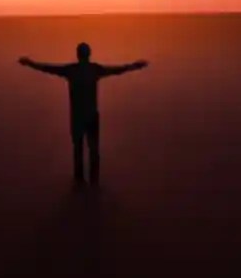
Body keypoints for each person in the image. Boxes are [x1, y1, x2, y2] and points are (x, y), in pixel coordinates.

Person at [18, 42, 148, 187]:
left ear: (78, 55)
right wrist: (134, 66)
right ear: (89, 54)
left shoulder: (71, 70)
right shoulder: (94, 69)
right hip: (92, 115)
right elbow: (117, 70)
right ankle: (94, 180)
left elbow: (48, 68)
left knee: (78, 148)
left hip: (77, 116)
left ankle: (79, 179)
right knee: (93, 149)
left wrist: (30, 63)